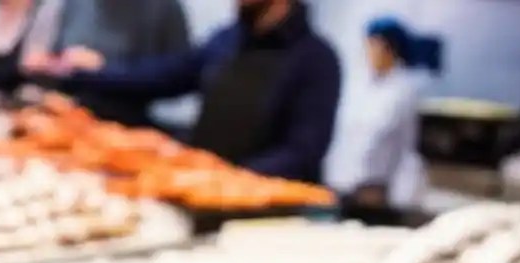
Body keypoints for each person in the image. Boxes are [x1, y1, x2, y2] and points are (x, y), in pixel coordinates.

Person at [50, 0, 341, 184]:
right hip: (203, 194)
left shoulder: (316, 59)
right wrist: (86, 73)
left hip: (269, 214)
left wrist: (226, 177)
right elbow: (163, 76)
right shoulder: (226, 40)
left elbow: (302, 152)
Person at [25, 0, 192, 127]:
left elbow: (176, 77)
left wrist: (104, 69)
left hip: (124, 127)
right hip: (63, 117)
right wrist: (50, 63)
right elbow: (59, 56)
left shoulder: (163, 9)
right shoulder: (76, 4)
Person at [331, 17, 440, 208]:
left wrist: (403, 201)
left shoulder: (404, 92)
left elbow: (408, 149)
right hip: (340, 185)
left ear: (391, 49)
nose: (369, 52)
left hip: (375, 192)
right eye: (367, 45)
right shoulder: (358, 86)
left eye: (375, 46)